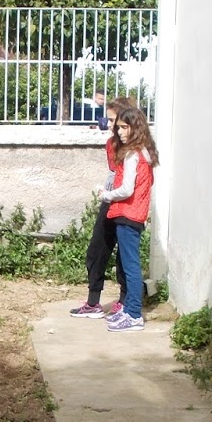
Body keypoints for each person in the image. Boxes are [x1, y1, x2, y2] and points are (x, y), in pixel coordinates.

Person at [69, 97, 134, 319]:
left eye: (114, 120)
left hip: (127, 203)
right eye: (109, 120)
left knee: (124, 255)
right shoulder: (111, 144)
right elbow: (113, 173)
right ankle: (93, 301)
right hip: (111, 199)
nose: (110, 125)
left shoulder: (135, 148)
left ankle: (125, 302)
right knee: (97, 248)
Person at [99, 104, 157, 333]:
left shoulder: (133, 154)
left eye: (124, 127)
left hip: (128, 214)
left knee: (131, 267)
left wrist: (106, 195)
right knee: (128, 264)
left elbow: (126, 189)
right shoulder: (144, 152)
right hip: (133, 214)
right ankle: (129, 309)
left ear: (136, 128)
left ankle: (133, 314)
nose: (119, 132)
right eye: (119, 127)